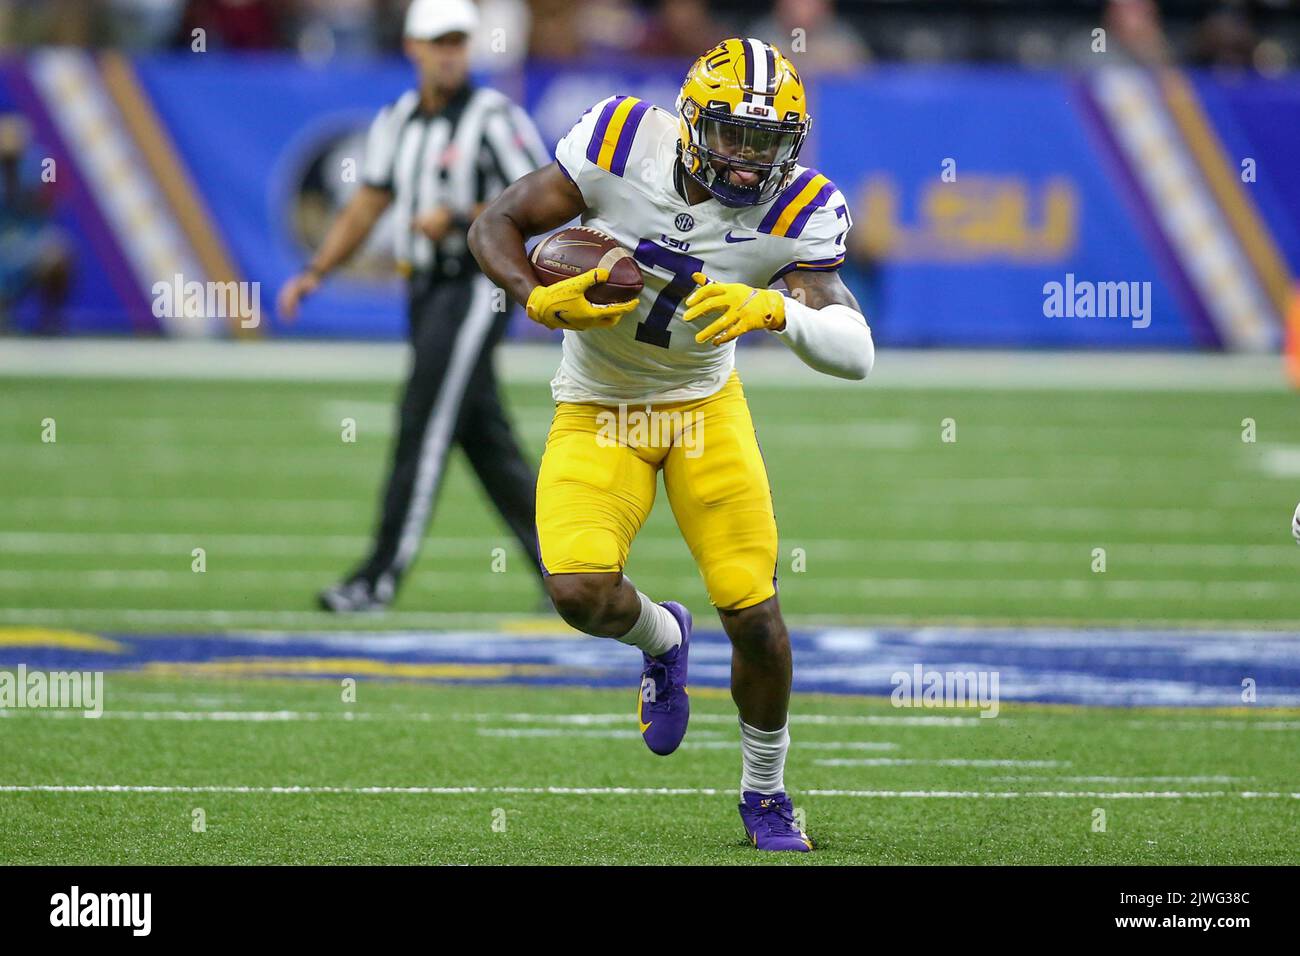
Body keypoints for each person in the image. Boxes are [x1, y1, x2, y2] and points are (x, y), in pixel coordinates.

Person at [469, 37, 874, 851]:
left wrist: (778, 313)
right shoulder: (621, 139)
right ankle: (663, 637)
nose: (750, 157)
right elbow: (496, 224)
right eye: (734, 134)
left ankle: (766, 794)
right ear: (690, 123)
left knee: (756, 616)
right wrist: (534, 296)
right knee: (578, 592)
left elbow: (856, 352)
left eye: (767, 141)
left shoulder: (800, 208)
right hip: (597, 402)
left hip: (700, 409)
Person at [278, 0, 550, 613]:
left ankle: (378, 576)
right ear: (414, 48)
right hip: (425, 290)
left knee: (422, 420)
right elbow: (368, 203)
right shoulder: (398, 118)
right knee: (483, 436)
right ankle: (568, 566)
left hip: (478, 284)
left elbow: (540, 201)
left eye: (459, 40)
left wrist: (458, 219)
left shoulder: (494, 117)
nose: (450, 52)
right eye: (439, 41)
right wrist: (318, 269)